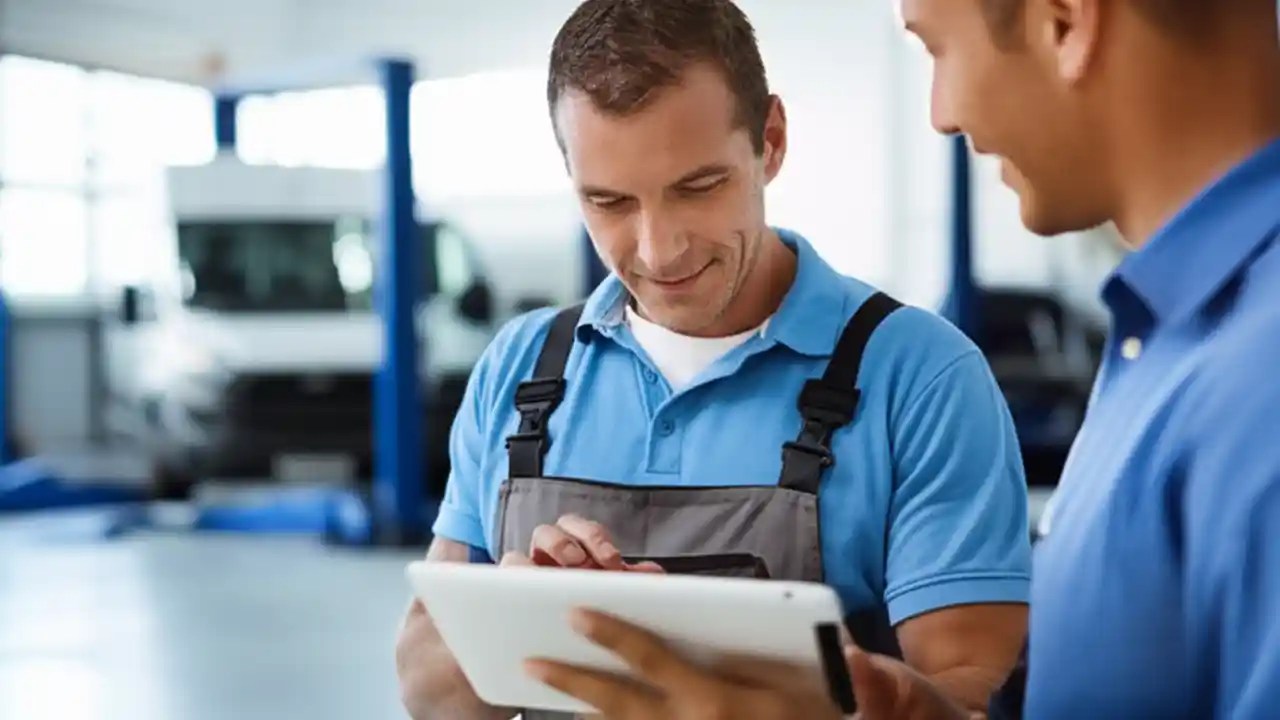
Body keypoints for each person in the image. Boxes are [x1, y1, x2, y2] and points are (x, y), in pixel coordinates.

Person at [518, 0, 1280, 718]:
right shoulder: (1168, 346)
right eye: (610, 201)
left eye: (936, 46)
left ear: (1063, 20)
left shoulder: (1253, 382)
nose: (940, 112)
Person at [395, 0, 1033, 718]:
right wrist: (520, 619)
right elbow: (425, 686)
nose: (659, 248)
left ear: (771, 140)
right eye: (609, 202)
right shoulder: (521, 369)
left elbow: (967, 697)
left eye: (698, 188)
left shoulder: (921, 378)